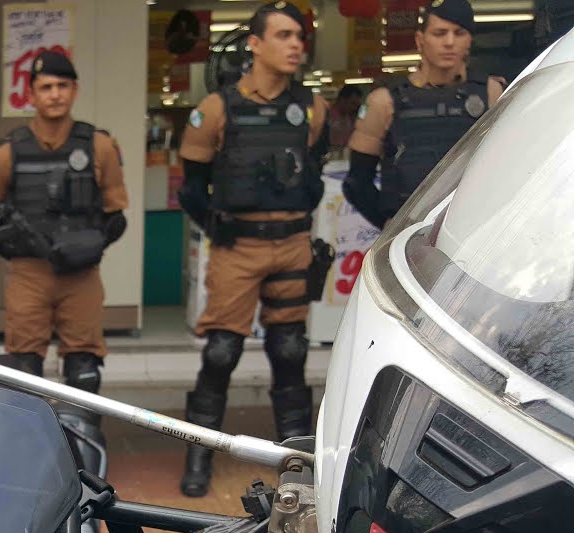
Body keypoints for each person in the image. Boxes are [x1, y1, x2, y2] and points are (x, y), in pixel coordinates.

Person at [175, 1, 329, 497]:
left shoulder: (312, 108)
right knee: (222, 352)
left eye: (299, 37)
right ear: (255, 44)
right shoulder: (216, 108)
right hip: (237, 247)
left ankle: (297, 462)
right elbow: (190, 188)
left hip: (292, 244)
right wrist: (215, 227)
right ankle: (198, 455)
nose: (295, 45)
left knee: (290, 350)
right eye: (284, 36)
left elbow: (314, 173)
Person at [0, 50, 129, 394]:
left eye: (63, 86)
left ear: (75, 91)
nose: (55, 94)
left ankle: (81, 432)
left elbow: (116, 217)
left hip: (82, 275)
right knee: (23, 373)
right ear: (31, 95)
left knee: (84, 372)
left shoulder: (100, 146)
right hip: (29, 274)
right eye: (46, 87)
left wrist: (85, 248)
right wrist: (21, 248)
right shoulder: (7, 152)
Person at [343, 0, 505, 230]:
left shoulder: (491, 93)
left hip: (471, 231)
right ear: (420, 40)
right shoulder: (384, 101)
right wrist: (392, 227)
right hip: (406, 234)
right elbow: (357, 183)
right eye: (440, 33)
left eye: (459, 33)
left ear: (469, 40)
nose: (449, 42)